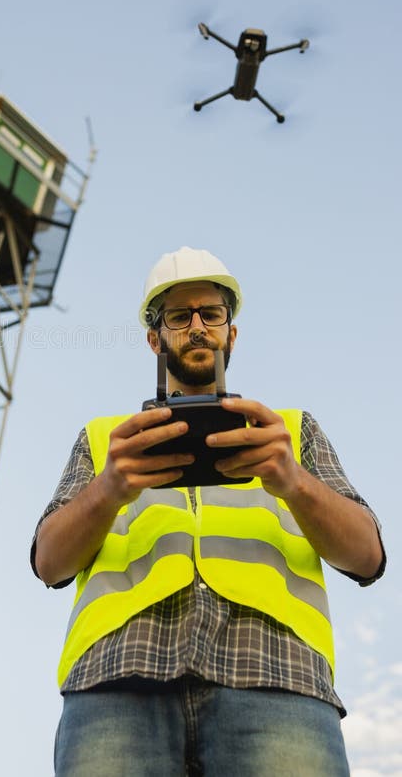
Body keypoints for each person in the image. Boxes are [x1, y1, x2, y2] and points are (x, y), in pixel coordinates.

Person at [31, 247, 385, 777]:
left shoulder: (289, 431)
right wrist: (108, 488)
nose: (197, 326)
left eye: (211, 314)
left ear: (231, 334)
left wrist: (290, 480)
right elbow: (49, 563)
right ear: (156, 338)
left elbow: (367, 556)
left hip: (278, 676)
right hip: (116, 680)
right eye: (179, 316)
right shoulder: (107, 441)